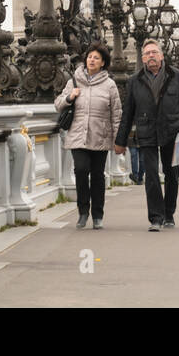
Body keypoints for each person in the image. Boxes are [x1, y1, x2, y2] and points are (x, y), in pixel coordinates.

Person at [115, 39, 179, 231]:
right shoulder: (134, 80)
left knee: (172, 174)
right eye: (147, 53)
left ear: (161, 55)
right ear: (142, 58)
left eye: (154, 52)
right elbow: (127, 113)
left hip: (172, 131)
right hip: (147, 131)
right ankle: (156, 218)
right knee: (151, 175)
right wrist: (120, 141)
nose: (151, 56)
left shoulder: (176, 75)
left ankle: (169, 214)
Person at [54, 42, 122, 230]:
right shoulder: (73, 82)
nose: (92, 60)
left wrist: (118, 140)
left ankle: (98, 215)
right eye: (90, 57)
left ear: (103, 63)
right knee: (81, 170)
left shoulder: (110, 85)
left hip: (100, 136)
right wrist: (70, 97)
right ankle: (83, 211)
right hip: (78, 135)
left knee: (98, 176)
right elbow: (58, 104)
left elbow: (116, 114)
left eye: (96, 58)